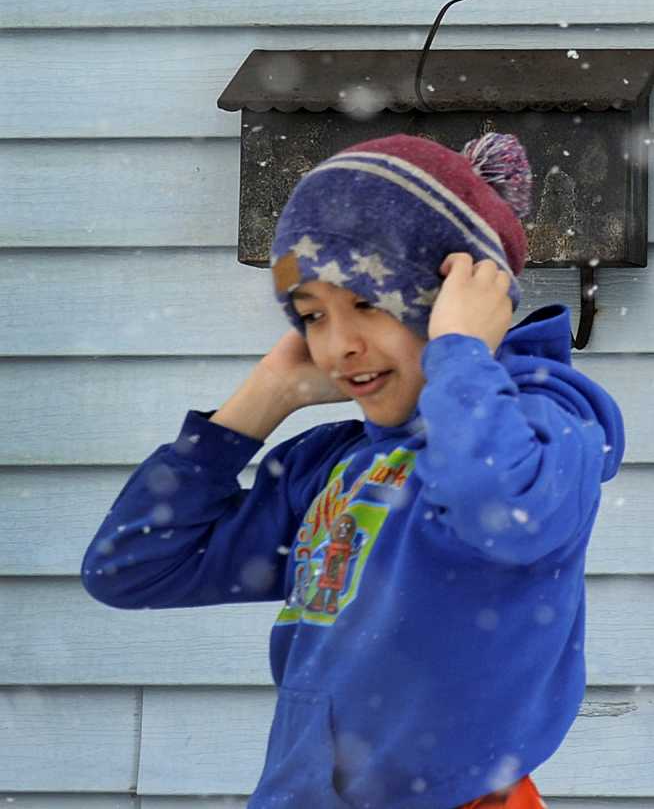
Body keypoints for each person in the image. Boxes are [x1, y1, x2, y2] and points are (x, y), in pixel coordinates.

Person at [80, 133, 625, 808]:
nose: (340, 345)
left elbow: (501, 508)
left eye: (369, 303)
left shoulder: (548, 427)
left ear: (455, 296)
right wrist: (265, 397)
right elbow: (130, 567)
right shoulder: (333, 464)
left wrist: (461, 353)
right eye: (312, 316)